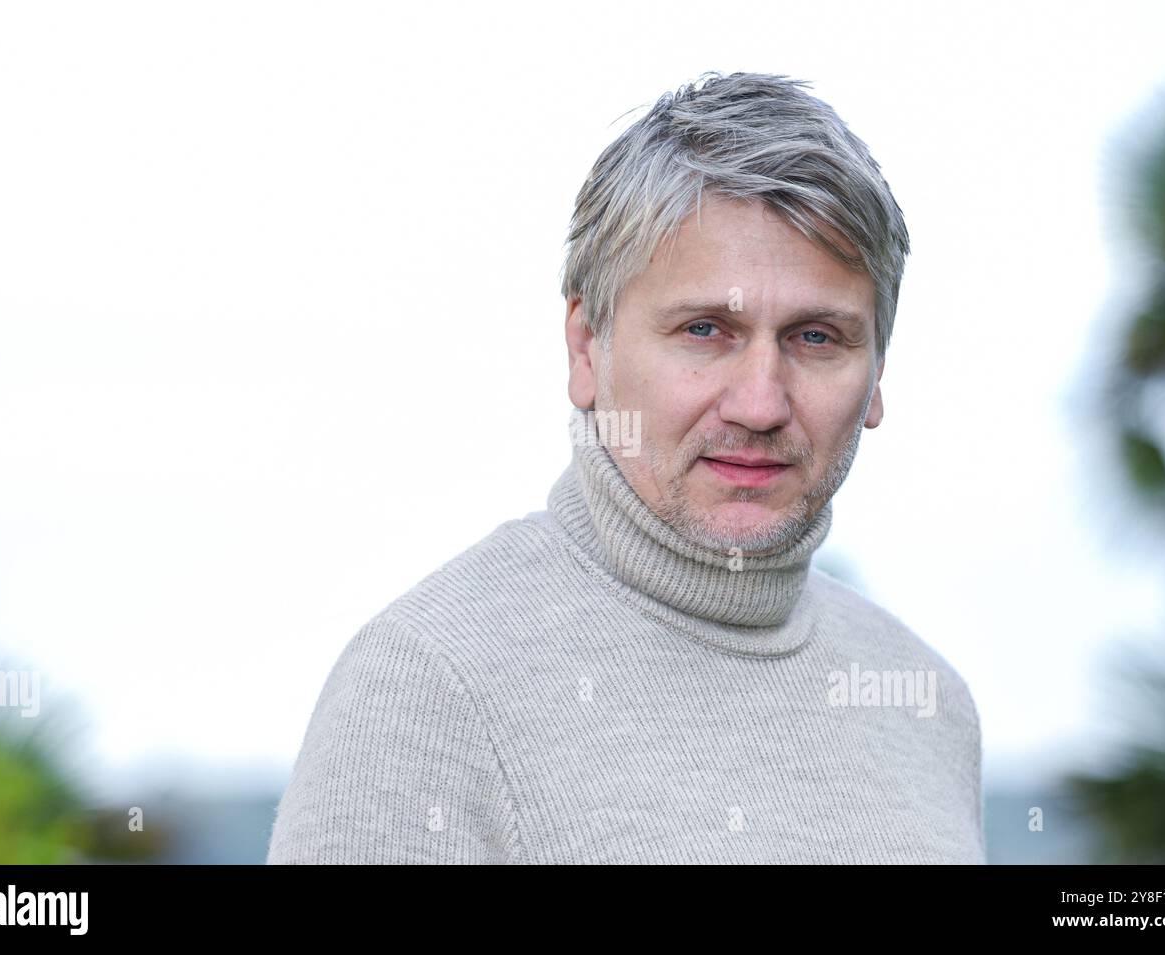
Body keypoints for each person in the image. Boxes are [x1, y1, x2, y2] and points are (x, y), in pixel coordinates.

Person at [266, 71, 985, 864]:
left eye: (817, 337)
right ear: (586, 346)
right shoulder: (429, 689)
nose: (759, 403)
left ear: (877, 370)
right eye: (706, 329)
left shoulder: (929, 706)